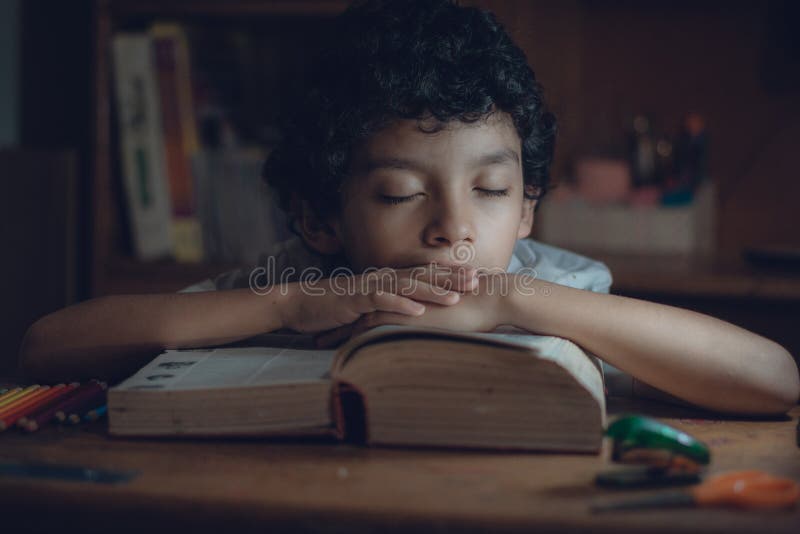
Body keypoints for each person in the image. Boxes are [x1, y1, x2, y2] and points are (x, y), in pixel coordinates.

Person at [19, 0, 798, 414]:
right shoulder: (299, 283)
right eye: (398, 192)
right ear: (321, 218)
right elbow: (45, 349)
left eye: (490, 190)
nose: (454, 226)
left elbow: (774, 378)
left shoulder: (551, 289)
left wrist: (511, 299)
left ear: (528, 208)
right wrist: (286, 307)